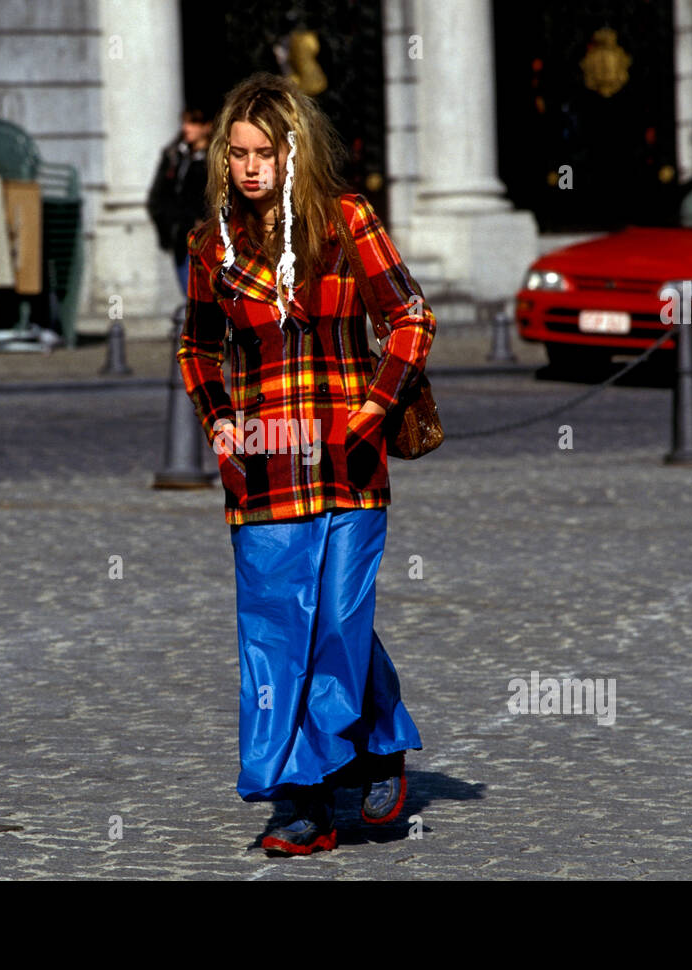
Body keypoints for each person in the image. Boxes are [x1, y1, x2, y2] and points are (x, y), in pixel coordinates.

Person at [177, 72, 435, 856]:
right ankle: (303, 801)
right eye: (239, 153)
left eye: (265, 153)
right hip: (261, 474)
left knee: (339, 623)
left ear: (294, 153)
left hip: (349, 463)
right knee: (275, 634)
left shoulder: (348, 222)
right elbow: (196, 348)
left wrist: (375, 408)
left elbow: (411, 319)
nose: (250, 167)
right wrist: (220, 426)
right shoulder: (212, 244)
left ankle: (377, 750)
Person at [146, 104, 213, 295]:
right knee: (192, 298)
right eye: (185, 122)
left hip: (210, 242)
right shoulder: (175, 156)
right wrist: (169, 228)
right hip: (182, 240)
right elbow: (157, 198)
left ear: (207, 126)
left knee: (208, 303)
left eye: (193, 123)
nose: (186, 128)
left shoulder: (216, 158)